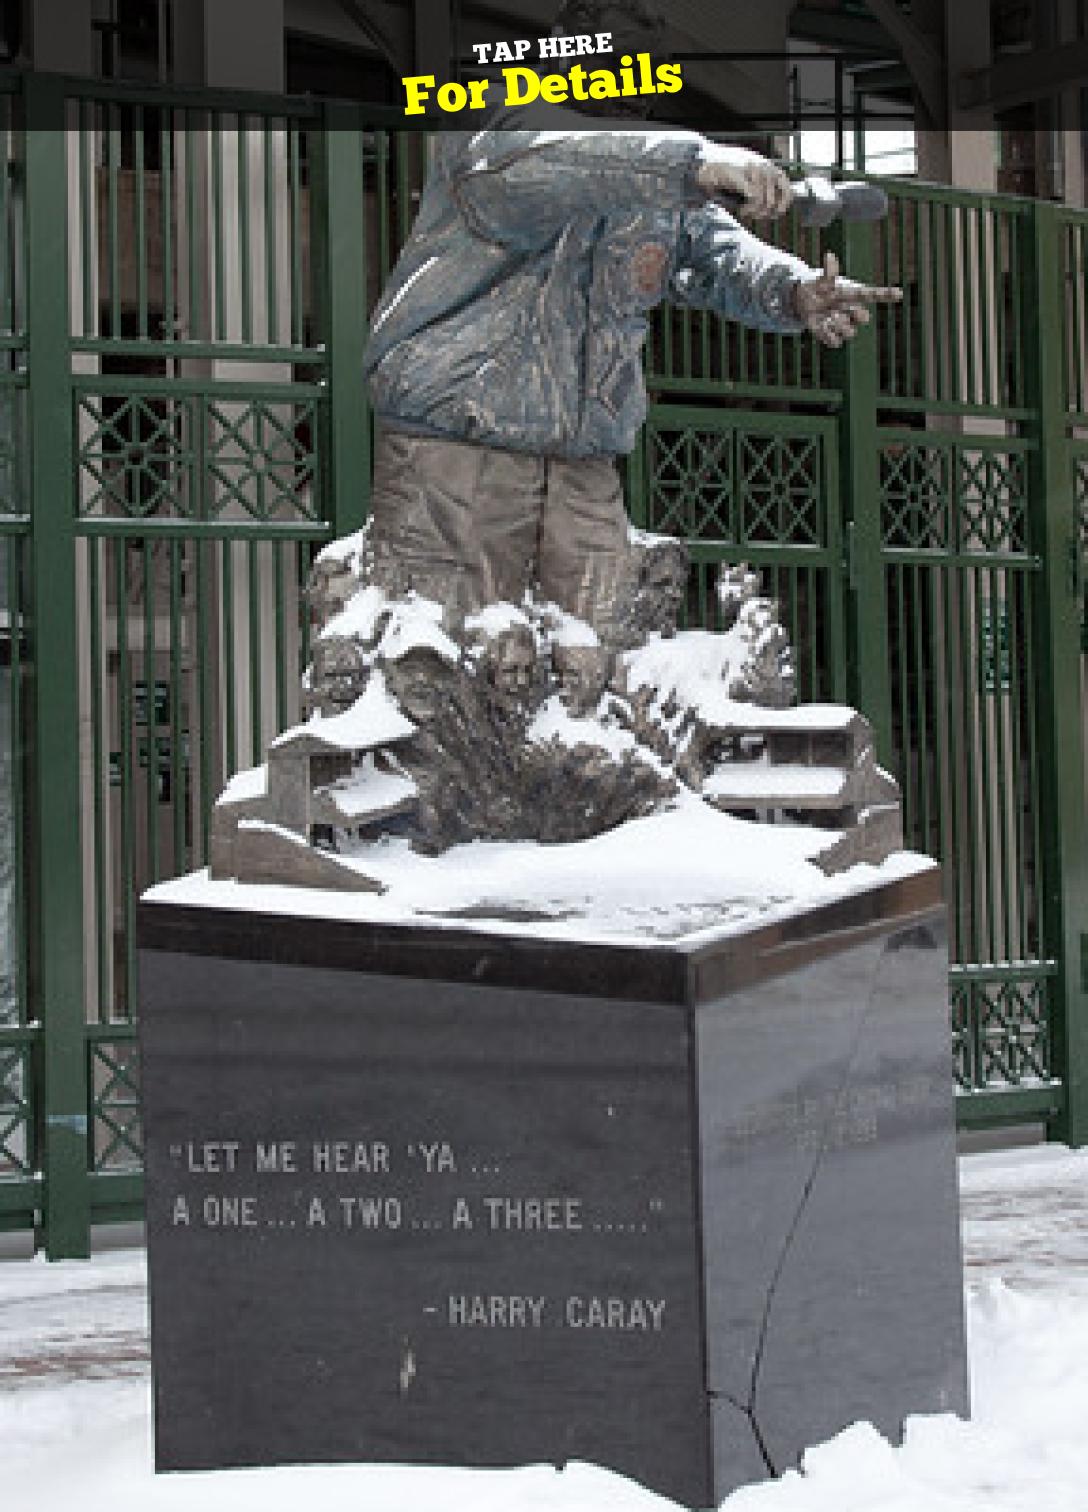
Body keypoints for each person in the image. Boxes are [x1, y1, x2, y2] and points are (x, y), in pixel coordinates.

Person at [363, 20, 899, 639]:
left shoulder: (657, 183)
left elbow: (719, 252)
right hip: (459, 446)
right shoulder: (497, 123)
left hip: (583, 459)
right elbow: (570, 160)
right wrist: (693, 161)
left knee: (597, 660)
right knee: (445, 651)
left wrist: (794, 289)